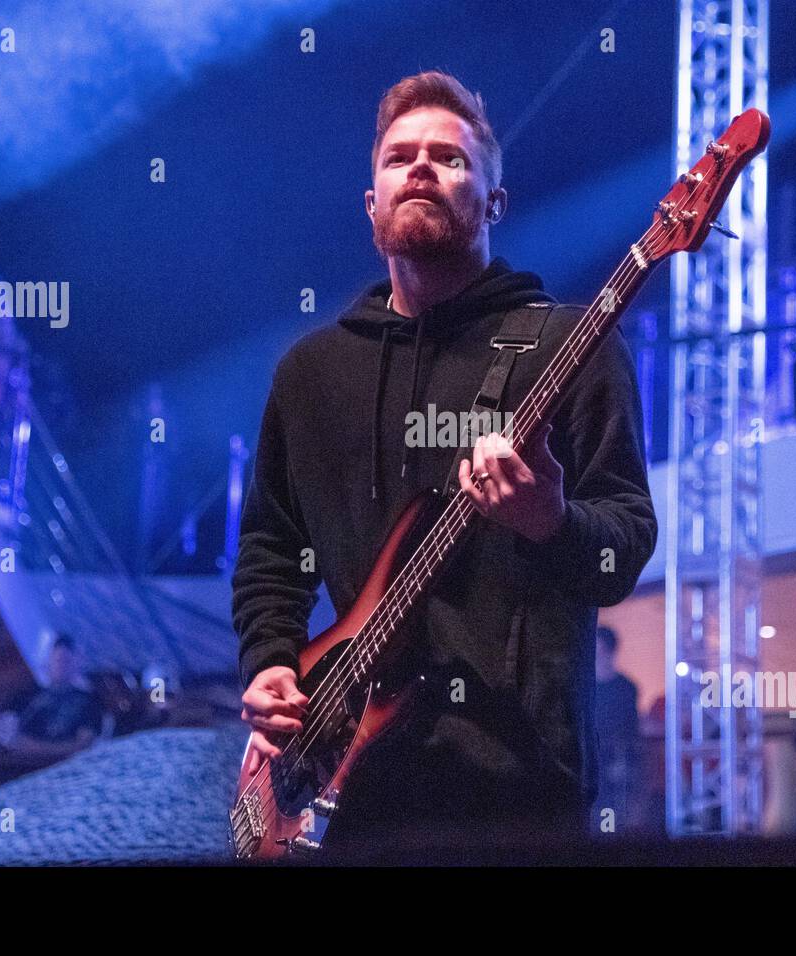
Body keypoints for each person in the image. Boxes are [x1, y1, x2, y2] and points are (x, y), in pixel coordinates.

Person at [233, 70, 656, 851]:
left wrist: (551, 520)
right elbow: (269, 548)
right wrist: (268, 660)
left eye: (449, 158)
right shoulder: (311, 373)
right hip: (347, 789)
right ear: (372, 206)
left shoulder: (570, 347)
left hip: (518, 794)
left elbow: (622, 551)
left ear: (495, 202)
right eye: (399, 158)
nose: (420, 168)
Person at [0, 635, 105, 771]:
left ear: (77, 662)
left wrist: (36, 748)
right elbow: (4, 736)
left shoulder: (90, 701)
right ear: (47, 661)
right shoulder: (23, 695)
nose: (61, 665)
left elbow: (83, 744)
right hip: (17, 768)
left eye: (66, 660)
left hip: (65, 769)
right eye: (57, 660)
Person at [592, 627, 640, 831]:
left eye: (599, 650)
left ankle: (608, 838)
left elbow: (631, 728)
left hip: (616, 761)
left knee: (612, 811)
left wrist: (625, 759)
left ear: (609, 651)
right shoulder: (585, 687)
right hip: (592, 760)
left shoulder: (626, 687)